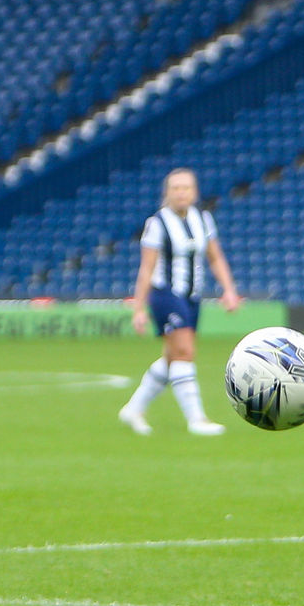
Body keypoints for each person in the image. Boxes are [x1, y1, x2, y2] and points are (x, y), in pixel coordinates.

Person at [118, 168, 241, 436]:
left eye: (186, 187)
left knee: (172, 356)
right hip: (165, 295)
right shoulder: (157, 223)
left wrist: (229, 290)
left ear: (194, 192)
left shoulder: (203, 219)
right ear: (167, 193)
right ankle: (196, 419)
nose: (181, 192)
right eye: (175, 188)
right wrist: (139, 308)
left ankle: (133, 409)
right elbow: (146, 269)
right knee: (185, 352)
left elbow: (215, 257)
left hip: (192, 296)